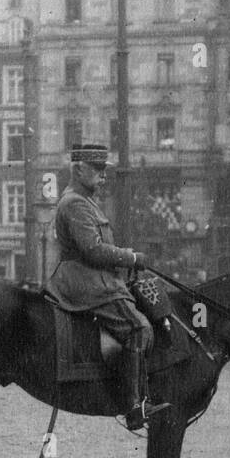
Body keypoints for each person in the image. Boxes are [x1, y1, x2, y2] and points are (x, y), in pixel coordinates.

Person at [45, 142, 168, 431]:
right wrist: (132, 257)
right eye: (97, 169)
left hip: (94, 277)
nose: (103, 176)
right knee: (140, 328)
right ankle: (134, 406)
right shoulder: (75, 202)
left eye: (104, 170)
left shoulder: (84, 201)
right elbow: (92, 250)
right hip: (85, 281)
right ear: (79, 169)